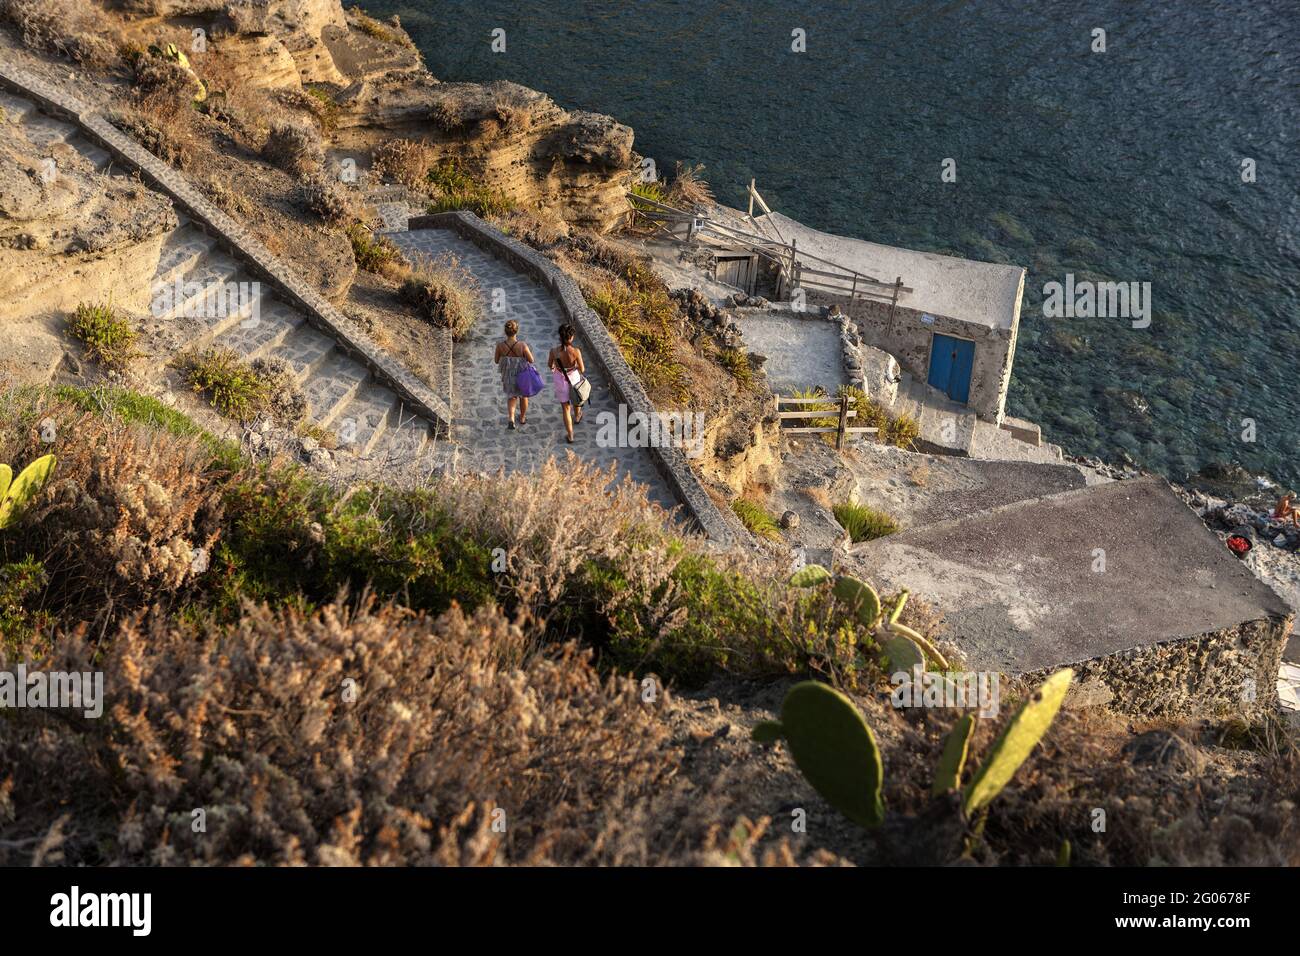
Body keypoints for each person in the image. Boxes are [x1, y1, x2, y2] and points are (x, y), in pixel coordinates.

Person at [493, 319, 535, 429]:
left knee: (512, 397)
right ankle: (522, 417)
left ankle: (511, 418)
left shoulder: (500, 346)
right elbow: (531, 360)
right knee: (523, 397)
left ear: (505, 332)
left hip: (508, 375)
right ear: (516, 331)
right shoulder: (522, 345)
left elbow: (496, 361)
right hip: (522, 375)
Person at [547, 324, 585, 444]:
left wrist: (556, 367)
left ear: (560, 336)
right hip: (573, 378)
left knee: (565, 408)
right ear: (571, 337)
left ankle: (570, 435)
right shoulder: (576, 352)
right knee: (576, 398)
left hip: (560, 380)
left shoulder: (553, 351)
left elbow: (550, 365)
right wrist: (573, 367)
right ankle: (578, 416)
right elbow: (582, 369)